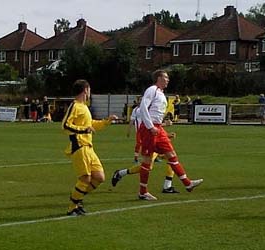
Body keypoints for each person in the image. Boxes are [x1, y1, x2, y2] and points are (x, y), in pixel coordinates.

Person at [133, 70, 203, 201]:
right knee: (147, 160)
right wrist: (150, 126)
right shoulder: (152, 90)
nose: (168, 80)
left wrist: (161, 125)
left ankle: (187, 183)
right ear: (158, 78)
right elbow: (143, 108)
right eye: (166, 77)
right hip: (149, 129)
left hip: (158, 128)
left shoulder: (161, 93)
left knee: (171, 154)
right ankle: (143, 192)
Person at [62, 80, 117, 216]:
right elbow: (65, 125)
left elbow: (90, 124)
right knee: (85, 179)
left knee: (99, 177)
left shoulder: (84, 107)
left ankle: (77, 197)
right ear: (85, 90)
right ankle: (72, 207)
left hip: (88, 146)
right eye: (89, 89)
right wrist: (82, 130)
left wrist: (106, 121)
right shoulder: (75, 105)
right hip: (79, 145)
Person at [110, 106, 180, 194]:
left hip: (155, 139)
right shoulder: (142, 110)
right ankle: (120, 173)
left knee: (172, 160)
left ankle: (167, 186)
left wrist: (166, 135)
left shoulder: (148, 110)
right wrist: (166, 124)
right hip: (149, 141)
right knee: (147, 167)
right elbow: (149, 125)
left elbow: (155, 127)